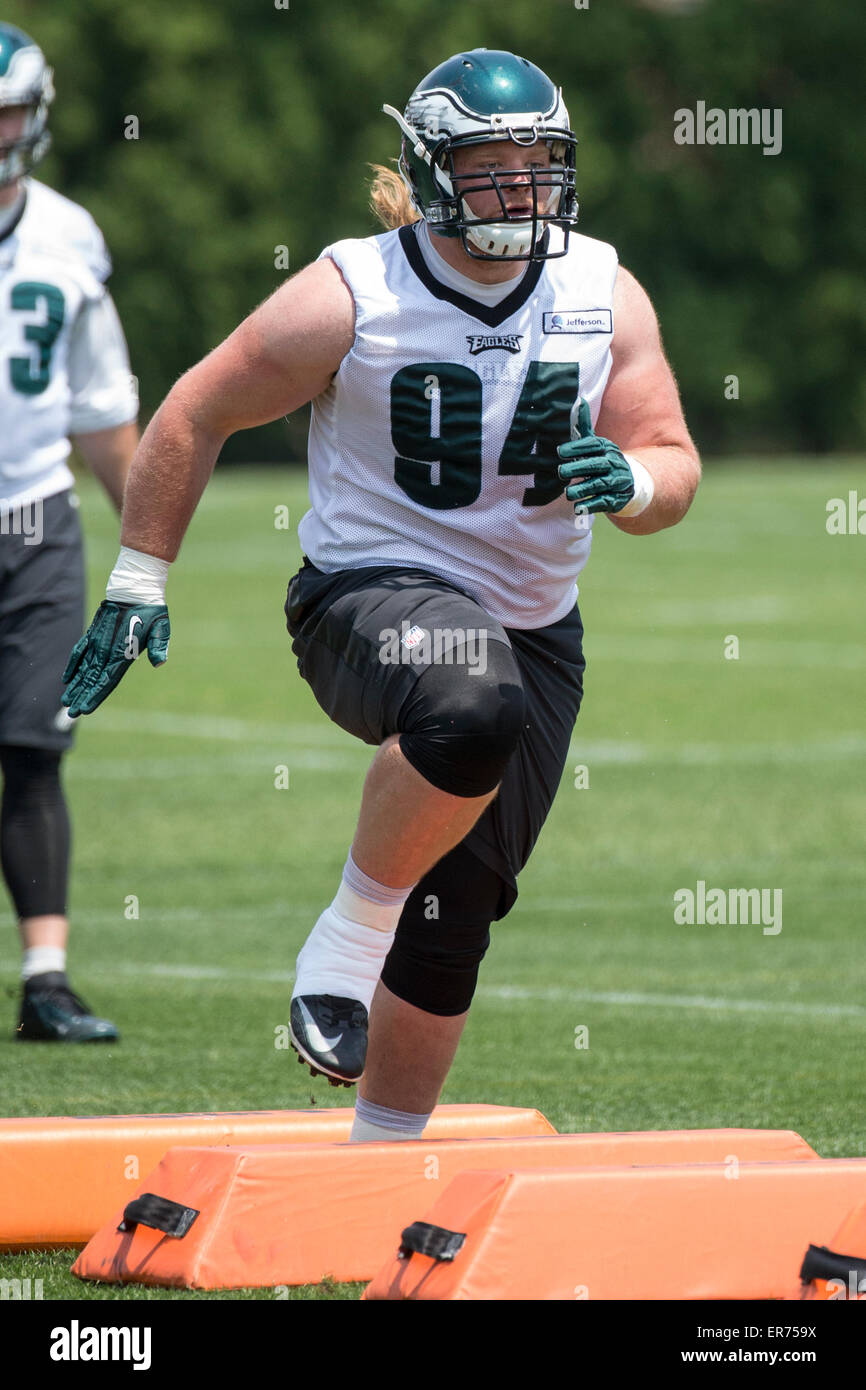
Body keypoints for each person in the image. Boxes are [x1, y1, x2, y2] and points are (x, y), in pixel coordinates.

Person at [61, 49, 699, 1132]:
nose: (519, 188)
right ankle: (346, 939)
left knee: (458, 909)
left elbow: (671, 459)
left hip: (536, 623)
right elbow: (192, 410)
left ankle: (379, 1162)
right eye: (490, 165)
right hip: (363, 599)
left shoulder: (600, 288)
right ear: (435, 171)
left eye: (536, 164)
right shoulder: (354, 292)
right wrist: (137, 576)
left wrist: (633, 481)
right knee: (469, 699)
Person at [0, 22, 139, 1041]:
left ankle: (46, 978)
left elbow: (100, 405)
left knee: (35, 748)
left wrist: (149, 551)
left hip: (38, 521)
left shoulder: (69, 234)